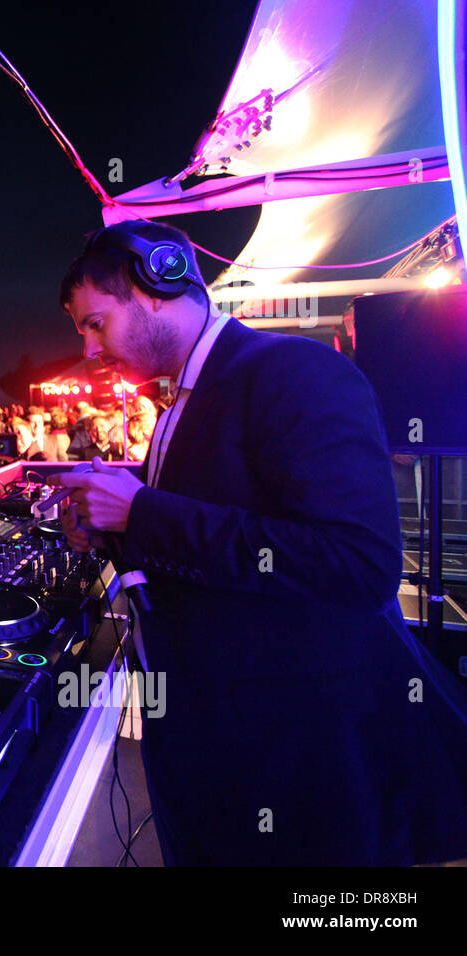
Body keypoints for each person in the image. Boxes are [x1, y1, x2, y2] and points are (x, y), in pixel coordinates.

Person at [49, 219, 467, 866]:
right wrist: (114, 527)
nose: (91, 346)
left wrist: (144, 513)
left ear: (156, 285)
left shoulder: (293, 372)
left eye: (96, 322)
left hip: (294, 752)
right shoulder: (184, 397)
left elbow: (359, 564)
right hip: (218, 735)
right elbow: (212, 527)